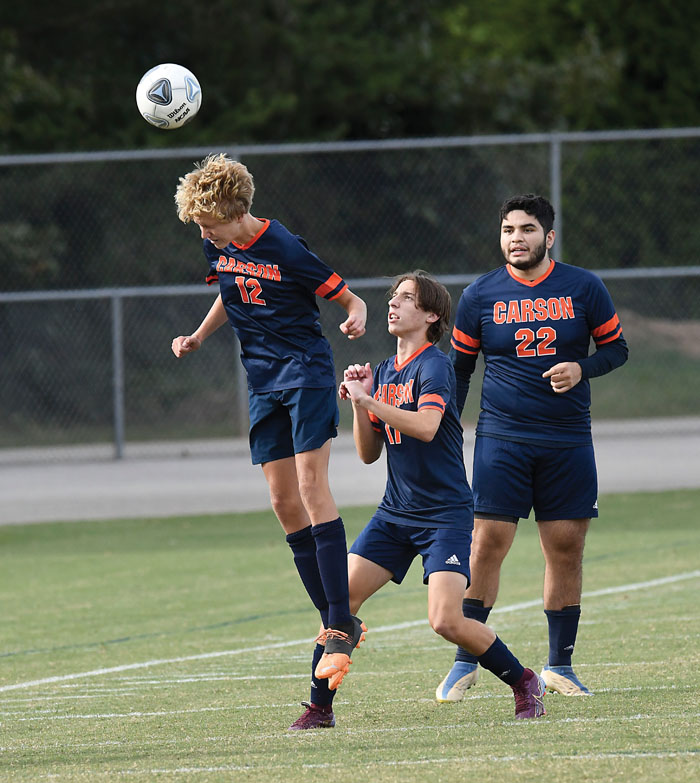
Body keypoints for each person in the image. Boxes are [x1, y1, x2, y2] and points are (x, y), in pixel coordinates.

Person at [289, 271, 546, 730]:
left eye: (406, 298)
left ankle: (524, 681)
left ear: (430, 315)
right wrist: (359, 403)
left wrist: (369, 401)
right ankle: (320, 709)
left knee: (445, 620)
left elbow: (426, 427)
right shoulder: (386, 370)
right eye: (393, 296)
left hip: (444, 515)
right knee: (338, 603)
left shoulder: (435, 366)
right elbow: (368, 454)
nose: (392, 303)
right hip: (395, 514)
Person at [171, 153, 368, 689]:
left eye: (210, 225)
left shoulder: (283, 247)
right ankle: (337, 618)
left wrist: (356, 316)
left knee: (310, 487)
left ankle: (338, 622)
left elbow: (349, 298)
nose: (205, 236)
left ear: (237, 214)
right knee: (283, 502)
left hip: (305, 373)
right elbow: (228, 290)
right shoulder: (220, 245)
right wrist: (198, 336)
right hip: (262, 382)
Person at [436, 194, 629, 703]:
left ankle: (559, 665)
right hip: (502, 437)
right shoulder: (480, 294)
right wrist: (445, 428)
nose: (516, 238)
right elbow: (459, 370)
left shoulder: (584, 286)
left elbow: (617, 349)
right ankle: (465, 661)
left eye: (527, 229)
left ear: (549, 236)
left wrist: (582, 367)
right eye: (508, 230)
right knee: (486, 543)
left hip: (567, 438)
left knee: (565, 547)